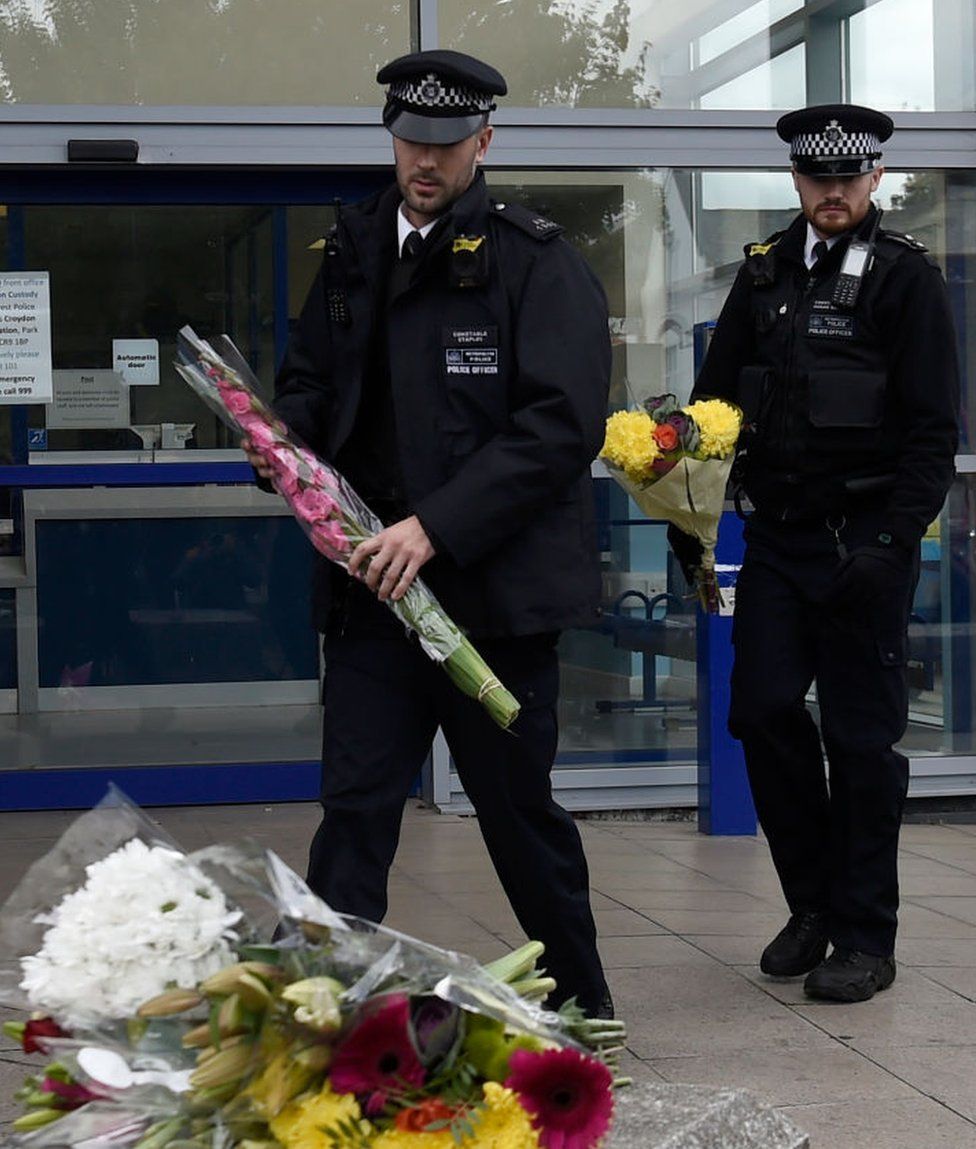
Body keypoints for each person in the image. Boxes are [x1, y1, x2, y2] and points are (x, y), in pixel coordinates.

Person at [245, 49, 613, 1017]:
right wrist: (280, 439)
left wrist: (434, 527)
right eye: (411, 138)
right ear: (390, 136)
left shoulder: (535, 262)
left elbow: (558, 427)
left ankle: (584, 1011)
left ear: (483, 142)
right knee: (354, 818)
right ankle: (319, 1016)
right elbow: (312, 379)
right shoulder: (355, 248)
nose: (426, 159)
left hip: (491, 605)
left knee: (519, 821)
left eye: (447, 143)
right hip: (376, 599)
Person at [670, 104, 959, 1002]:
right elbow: (713, 407)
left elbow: (932, 432)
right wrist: (673, 460)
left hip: (864, 545)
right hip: (779, 542)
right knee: (759, 712)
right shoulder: (760, 276)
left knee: (861, 741)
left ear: (872, 179)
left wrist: (890, 542)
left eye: (847, 178)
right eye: (815, 178)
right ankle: (815, 905)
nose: (831, 192)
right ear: (796, 181)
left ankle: (867, 935)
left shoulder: (905, 278)